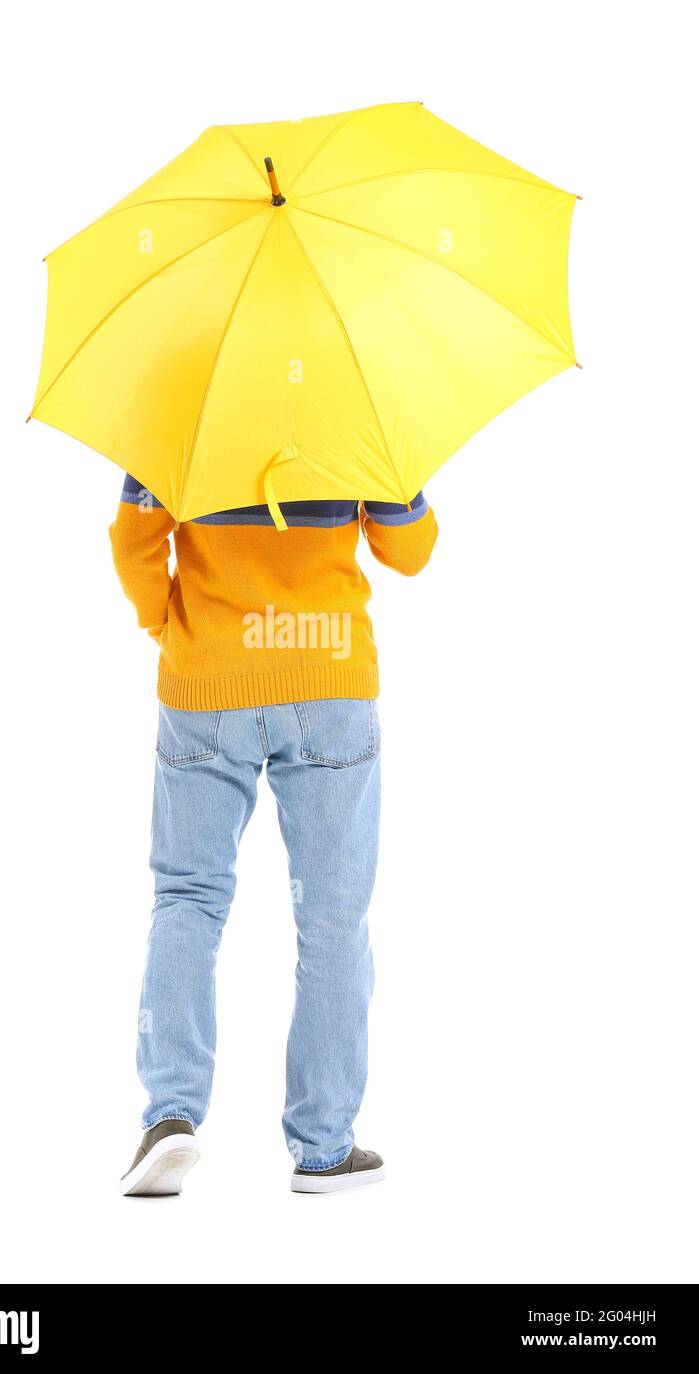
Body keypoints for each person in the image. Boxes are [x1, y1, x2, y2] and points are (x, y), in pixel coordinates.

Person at [111, 477, 437, 1195]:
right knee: (333, 916)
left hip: (207, 681)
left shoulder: (183, 396)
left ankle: (169, 1116)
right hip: (328, 679)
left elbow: (134, 541)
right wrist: (395, 481)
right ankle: (323, 1147)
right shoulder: (357, 413)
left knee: (188, 899)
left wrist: (169, 627)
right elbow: (410, 551)